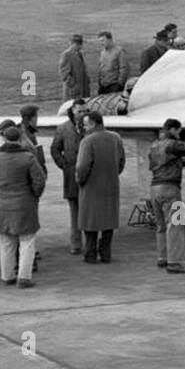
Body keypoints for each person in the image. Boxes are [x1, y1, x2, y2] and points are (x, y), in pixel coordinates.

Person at [0, 125, 46, 287]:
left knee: (6, 242)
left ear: (4, 138)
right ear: (19, 139)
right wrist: (34, 195)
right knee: (27, 241)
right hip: (25, 204)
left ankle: (7, 276)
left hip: (3, 204)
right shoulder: (28, 158)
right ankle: (24, 278)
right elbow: (39, 180)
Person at [148, 119, 185, 273]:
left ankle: (163, 258)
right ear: (173, 130)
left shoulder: (155, 145)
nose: (180, 135)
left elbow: (172, 162)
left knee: (161, 226)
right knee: (177, 225)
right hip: (171, 190)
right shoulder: (172, 144)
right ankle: (175, 263)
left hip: (155, 189)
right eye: (179, 132)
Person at [75, 111, 125, 264]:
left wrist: (80, 180)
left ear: (92, 124)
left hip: (91, 187)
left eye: (85, 124)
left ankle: (90, 254)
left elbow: (82, 166)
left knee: (90, 222)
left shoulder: (87, 141)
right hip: (111, 185)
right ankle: (105, 253)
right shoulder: (115, 138)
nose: (83, 127)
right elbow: (121, 161)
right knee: (108, 221)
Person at [50, 98, 88, 254]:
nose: (83, 114)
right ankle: (76, 244)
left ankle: (91, 242)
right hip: (71, 174)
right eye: (80, 111)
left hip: (89, 175)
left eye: (85, 111)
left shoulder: (91, 126)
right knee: (75, 211)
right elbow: (55, 149)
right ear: (73, 111)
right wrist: (64, 165)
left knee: (90, 210)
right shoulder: (63, 128)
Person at [94, 31, 130, 95]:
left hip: (114, 86)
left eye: (103, 40)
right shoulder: (102, 53)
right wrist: (99, 81)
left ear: (110, 39)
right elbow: (101, 68)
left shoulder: (119, 51)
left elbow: (124, 68)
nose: (101, 43)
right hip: (103, 86)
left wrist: (120, 84)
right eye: (100, 41)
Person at [59, 33, 90, 100]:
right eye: (78, 44)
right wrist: (74, 86)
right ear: (73, 44)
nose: (81, 46)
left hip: (83, 90)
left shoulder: (80, 54)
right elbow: (64, 74)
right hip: (72, 93)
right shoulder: (66, 55)